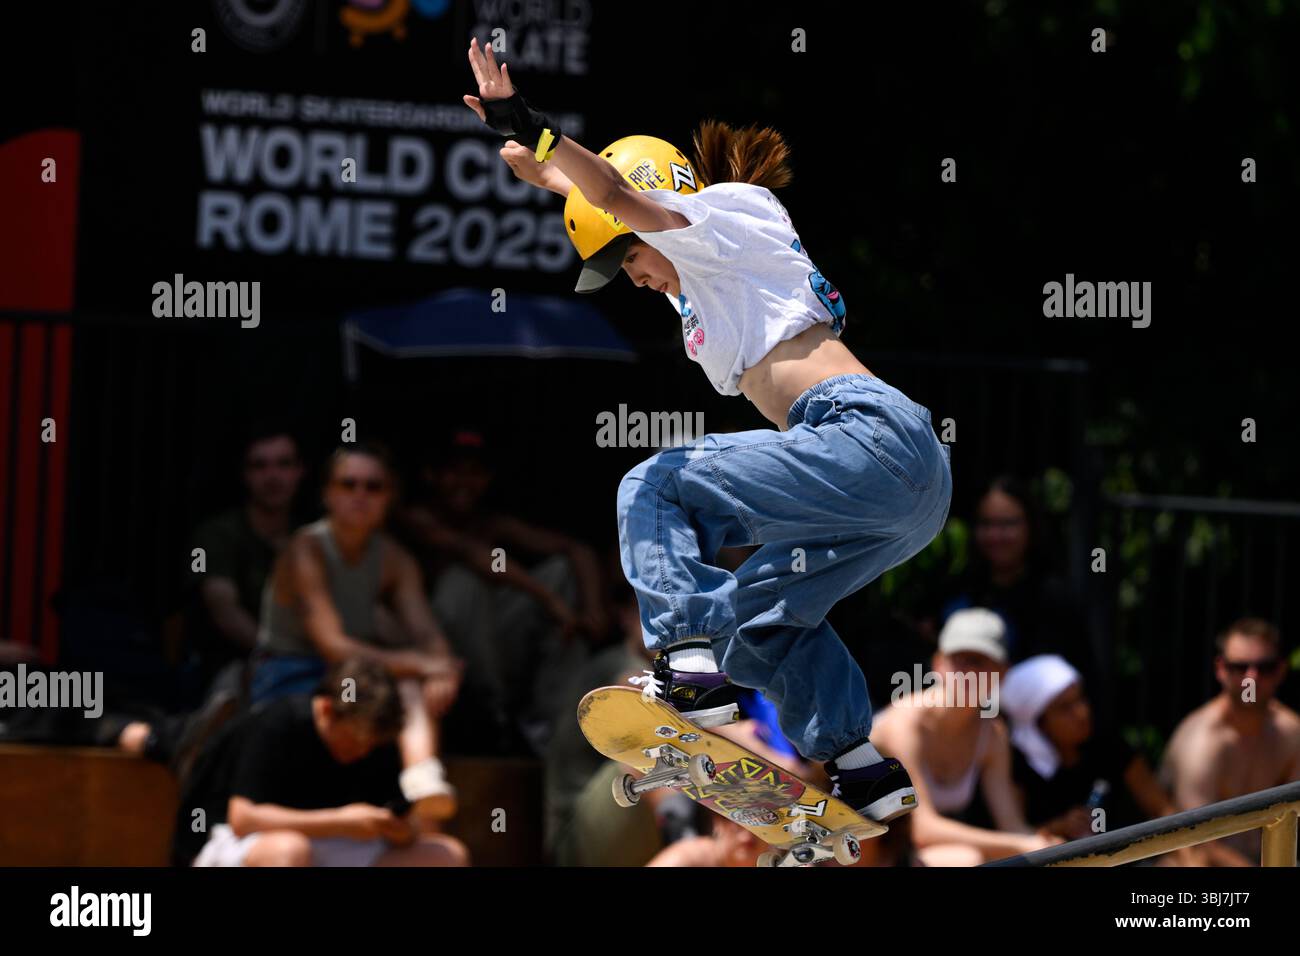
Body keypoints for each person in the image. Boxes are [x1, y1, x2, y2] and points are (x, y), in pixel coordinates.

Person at [463, 38, 951, 826]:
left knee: (652, 485)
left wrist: (540, 126)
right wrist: (542, 168)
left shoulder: (728, 218)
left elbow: (621, 193)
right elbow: (607, 201)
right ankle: (857, 764)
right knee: (759, 624)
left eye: (629, 262)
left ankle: (685, 661)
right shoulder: (701, 279)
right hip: (892, 498)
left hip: (865, 438)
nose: (635, 277)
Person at [250, 443, 463, 819]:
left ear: (389, 497)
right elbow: (332, 646)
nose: (360, 495)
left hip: (352, 676)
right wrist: (423, 663)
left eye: (373, 486)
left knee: (413, 683)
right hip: (290, 673)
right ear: (327, 494)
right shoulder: (306, 549)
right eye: (349, 485)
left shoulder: (394, 558)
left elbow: (428, 635)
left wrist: (440, 666)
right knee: (408, 676)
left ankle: (423, 781)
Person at [399, 427, 607, 753]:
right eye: (454, 471)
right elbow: (472, 554)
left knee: (560, 572)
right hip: (439, 656)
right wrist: (548, 599)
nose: (464, 483)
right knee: (464, 581)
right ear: (431, 475)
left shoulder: (490, 522)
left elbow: (576, 550)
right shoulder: (415, 518)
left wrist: (593, 610)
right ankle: (494, 712)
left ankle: (550, 719)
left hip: (497, 649)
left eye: (474, 473)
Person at [175, 657, 468, 867]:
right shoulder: (278, 721)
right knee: (289, 850)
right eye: (354, 741)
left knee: (445, 855)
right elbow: (243, 819)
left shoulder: (376, 738)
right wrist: (341, 822)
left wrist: (401, 831)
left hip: (334, 845)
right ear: (327, 710)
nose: (362, 753)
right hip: (244, 843)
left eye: (370, 746)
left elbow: (396, 825)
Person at [868, 609, 1061, 862]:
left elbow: (1011, 823)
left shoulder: (992, 734)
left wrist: (1051, 845)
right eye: (960, 659)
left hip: (901, 854)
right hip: (844, 850)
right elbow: (922, 828)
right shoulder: (905, 724)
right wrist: (1025, 845)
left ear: (1002, 673)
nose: (968, 672)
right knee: (964, 859)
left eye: (980, 662)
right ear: (938, 664)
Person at [1161, 617, 1300, 865]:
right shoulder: (1202, 740)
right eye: (1240, 667)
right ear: (1221, 669)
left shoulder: (1291, 733)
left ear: (1280, 670)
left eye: (1264, 667)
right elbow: (1195, 841)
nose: (1251, 678)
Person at [1002, 654, 1176, 841]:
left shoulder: (1109, 745)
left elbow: (1162, 810)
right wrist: (1057, 828)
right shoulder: (1017, 765)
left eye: (1081, 699)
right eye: (1065, 708)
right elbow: (1011, 837)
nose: (1082, 713)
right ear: (1039, 723)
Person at [189, 423, 306, 698]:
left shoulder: (310, 536)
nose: (273, 476)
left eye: (284, 464)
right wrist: (277, 653)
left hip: (311, 662)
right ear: (244, 475)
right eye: (260, 466)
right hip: (235, 664)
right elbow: (224, 610)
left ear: (301, 471)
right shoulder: (217, 534)